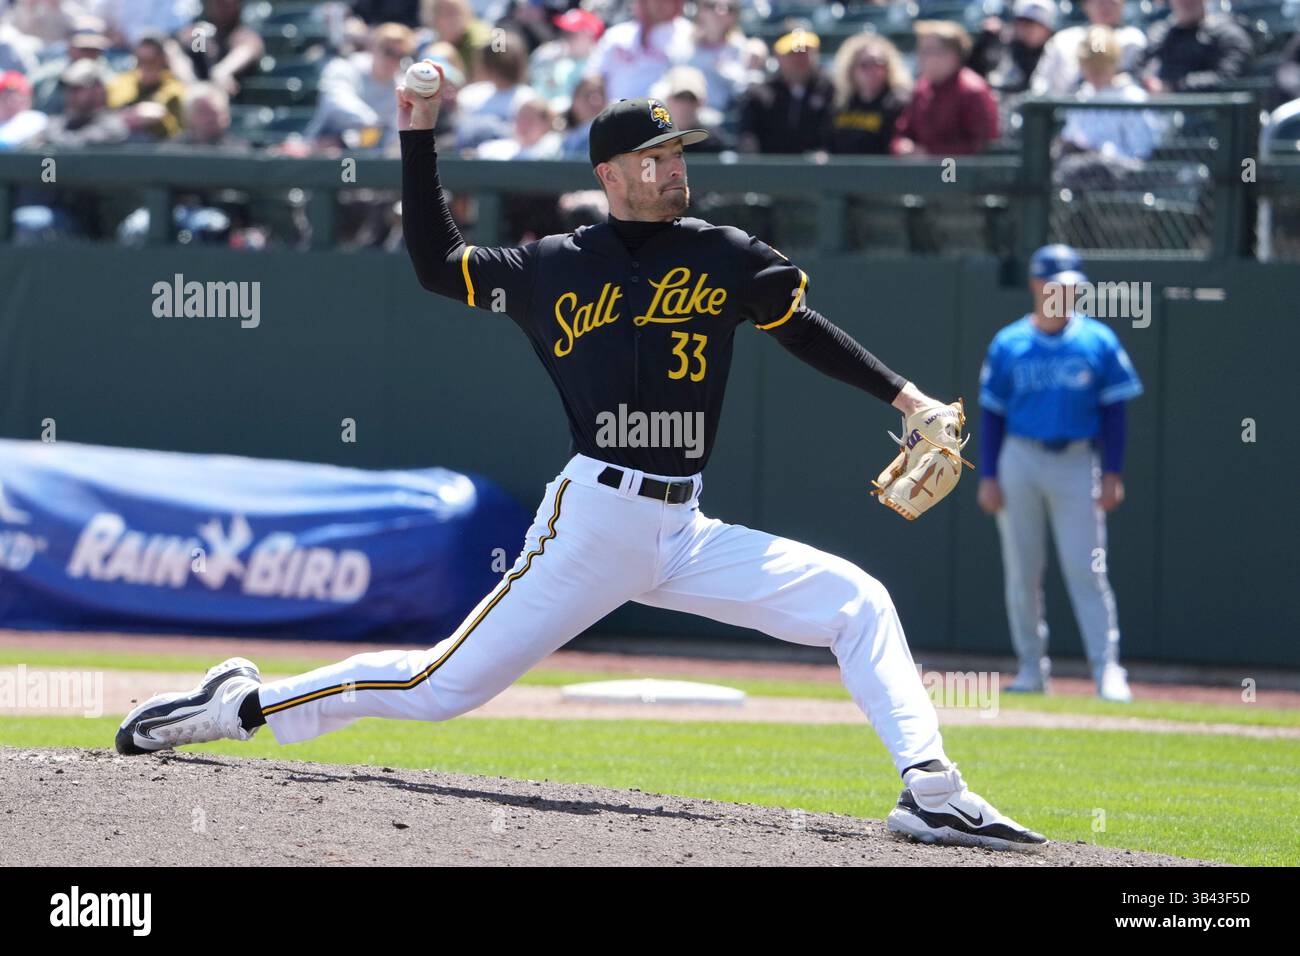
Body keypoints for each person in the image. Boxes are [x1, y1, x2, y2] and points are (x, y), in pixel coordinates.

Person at [115, 81, 1048, 853]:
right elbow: (440, 266)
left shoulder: (721, 255)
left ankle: (929, 788)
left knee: (858, 601)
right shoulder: (552, 264)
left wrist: (908, 399)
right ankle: (238, 706)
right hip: (594, 520)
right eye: (659, 156)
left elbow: (798, 327)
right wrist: (416, 134)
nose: (677, 167)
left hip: (683, 528)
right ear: (610, 173)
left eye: (682, 153)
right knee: (439, 689)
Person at [977, 244, 1143, 703]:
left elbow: (1115, 413)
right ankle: (1031, 669)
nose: (1064, 295)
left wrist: (1112, 471)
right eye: (1056, 286)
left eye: (1071, 288)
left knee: (1087, 567)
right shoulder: (1009, 342)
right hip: (1020, 458)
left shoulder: (1098, 340)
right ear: (1035, 285)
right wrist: (988, 474)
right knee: (1023, 572)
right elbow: (992, 414)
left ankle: (1106, 669)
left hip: (1076, 460)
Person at [892, 21, 999, 156]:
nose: (921, 57)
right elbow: (902, 133)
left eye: (928, 51)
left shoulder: (973, 90)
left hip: (959, 175)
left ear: (952, 55)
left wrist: (930, 154)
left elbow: (982, 148)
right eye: (920, 50)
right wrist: (901, 146)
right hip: (923, 174)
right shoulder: (921, 87)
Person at [737, 27, 832, 154]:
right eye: (793, 52)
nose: (800, 57)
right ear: (778, 55)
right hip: (771, 169)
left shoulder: (829, 89)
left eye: (805, 50)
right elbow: (749, 139)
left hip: (817, 171)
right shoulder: (760, 94)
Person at [583, 0, 693, 102]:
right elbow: (594, 75)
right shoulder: (616, 34)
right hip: (614, 114)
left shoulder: (688, 35)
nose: (658, 4)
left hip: (660, 116)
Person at [1032, 0, 1146, 96]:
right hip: (1065, 112)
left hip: (1119, 109)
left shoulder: (1133, 39)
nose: (1105, 6)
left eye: (1111, 1)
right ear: (1085, 4)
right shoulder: (1063, 40)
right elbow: (1040, 85)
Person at [824, 32, 910, 155]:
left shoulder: (899, 103)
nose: (872, 71)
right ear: (851, 69)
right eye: (864, 65)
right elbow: (829, 146)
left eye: (878, 63)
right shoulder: (840, 104)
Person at [1140, 0, 1253, 93]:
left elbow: (1228, 79)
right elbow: (1141, 67)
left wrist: (1174, 87)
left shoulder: (1228, 35)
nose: (1185, 1)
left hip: (1208, 115)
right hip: (1155, 112)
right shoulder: (1160, 33)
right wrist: (1149, 82)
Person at [107, 31, 187, 140]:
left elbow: (177, 131)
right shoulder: (120, 83)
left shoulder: (176, 89)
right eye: (140, 61)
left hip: (157, 148)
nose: (145, 67)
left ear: (163, 60)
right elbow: (110, 111)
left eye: (151, 61)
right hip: (120, 142)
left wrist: (158, 117)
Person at [970, 0, 1055, 95]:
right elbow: (974, 73)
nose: (1029, 28)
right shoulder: (999, 45)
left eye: (1036, 24)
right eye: (1023, 22)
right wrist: (984, 43)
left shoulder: (1055, 52)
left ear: (1047, 30)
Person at [0, 69, 47, 149]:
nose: (11, 101)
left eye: (18, 96)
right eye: (6, 95)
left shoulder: (36, 120)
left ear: (28, 99)